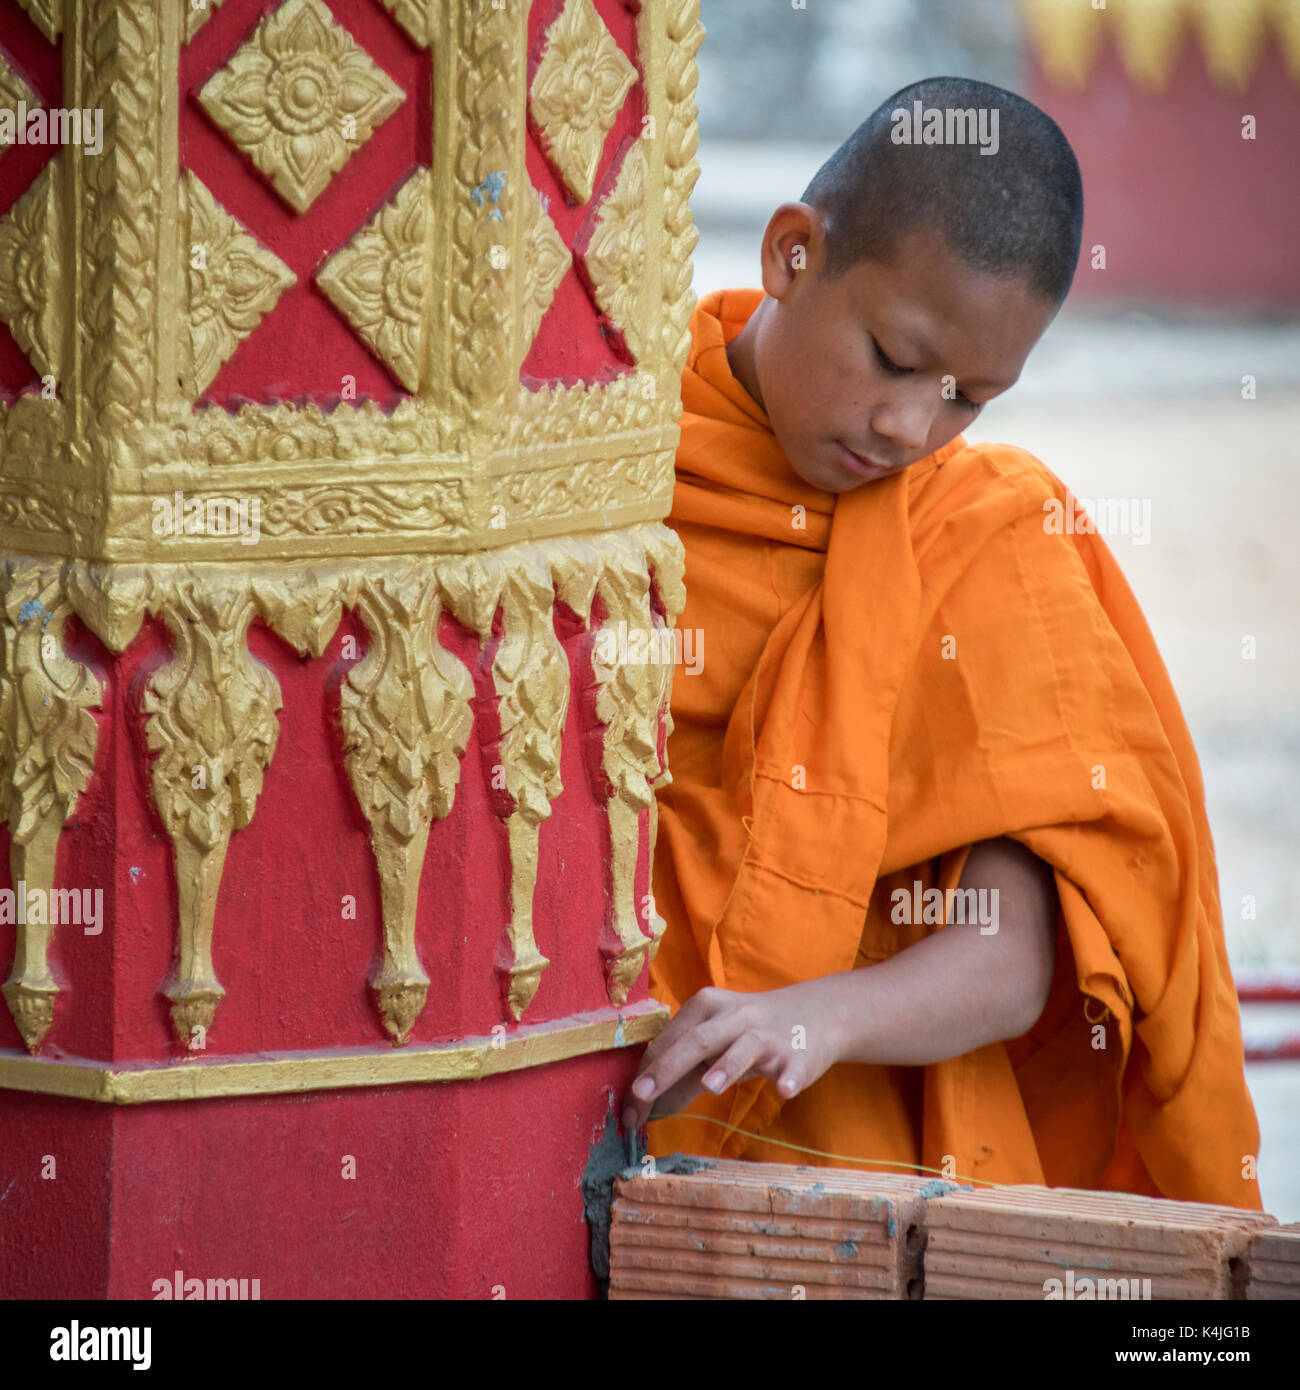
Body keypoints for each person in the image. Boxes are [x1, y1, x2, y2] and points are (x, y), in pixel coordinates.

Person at [622, 76, 1261, 1210]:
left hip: (854, 1176)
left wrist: (813, 1016)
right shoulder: (593, 461)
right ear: (791, 255)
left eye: (968, 396)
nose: (907, 428)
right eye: (892, 356)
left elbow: (1011, 956)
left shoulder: (985, 536)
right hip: (586, 1118)